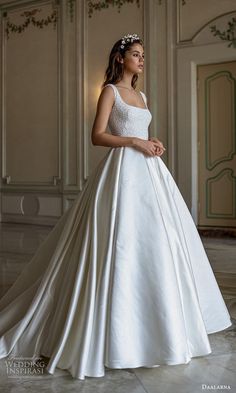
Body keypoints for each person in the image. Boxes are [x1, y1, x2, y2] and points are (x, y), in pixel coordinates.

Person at [0, 33, 232, 381]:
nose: (141, 60)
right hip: (122, 171)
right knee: (117, 241)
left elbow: (140, 128)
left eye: (142, 55)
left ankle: (165, 324)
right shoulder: (109, 91)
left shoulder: (141, 94)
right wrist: (134, 141)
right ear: (121, 58)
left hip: (150, 173)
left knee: (160, 241)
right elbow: (97, 135)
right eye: (136, 54)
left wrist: (151, 140)